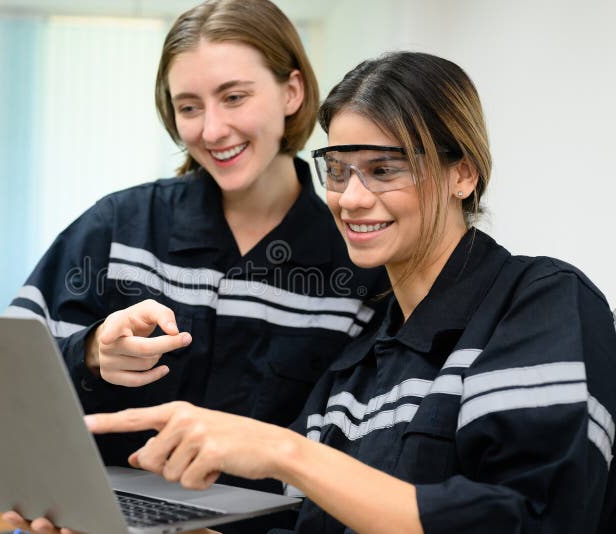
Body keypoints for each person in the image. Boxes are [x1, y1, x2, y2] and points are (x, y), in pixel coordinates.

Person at [76, 51, 616, 534]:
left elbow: (533, 517)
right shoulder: (350, 371)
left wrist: (285, 451)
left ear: (463, 174)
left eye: (384, 169)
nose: (351, 198)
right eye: (337, 171)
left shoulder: (541, 304)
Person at [3, 0, 387, 531]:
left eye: (234, 97)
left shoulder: (357, 268)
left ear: (291, 92)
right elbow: (3, 380)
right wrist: (89, 353)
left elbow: (357, 469)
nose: (211, 129)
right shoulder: (117, 229)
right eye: (189, 106)